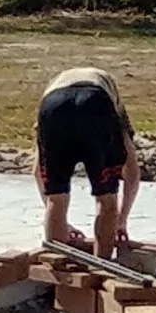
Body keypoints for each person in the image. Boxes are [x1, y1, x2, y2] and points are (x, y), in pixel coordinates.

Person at [36, 68, 140, 257]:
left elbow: (39, 173)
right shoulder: (114, 104)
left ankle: (57, 266)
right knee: (106, 197)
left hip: (52, 107)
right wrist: (120, 220)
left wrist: (60, 222)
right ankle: (103, 268)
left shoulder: (54, 87)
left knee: (57, 197)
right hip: (94, 103)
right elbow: (131, 171)